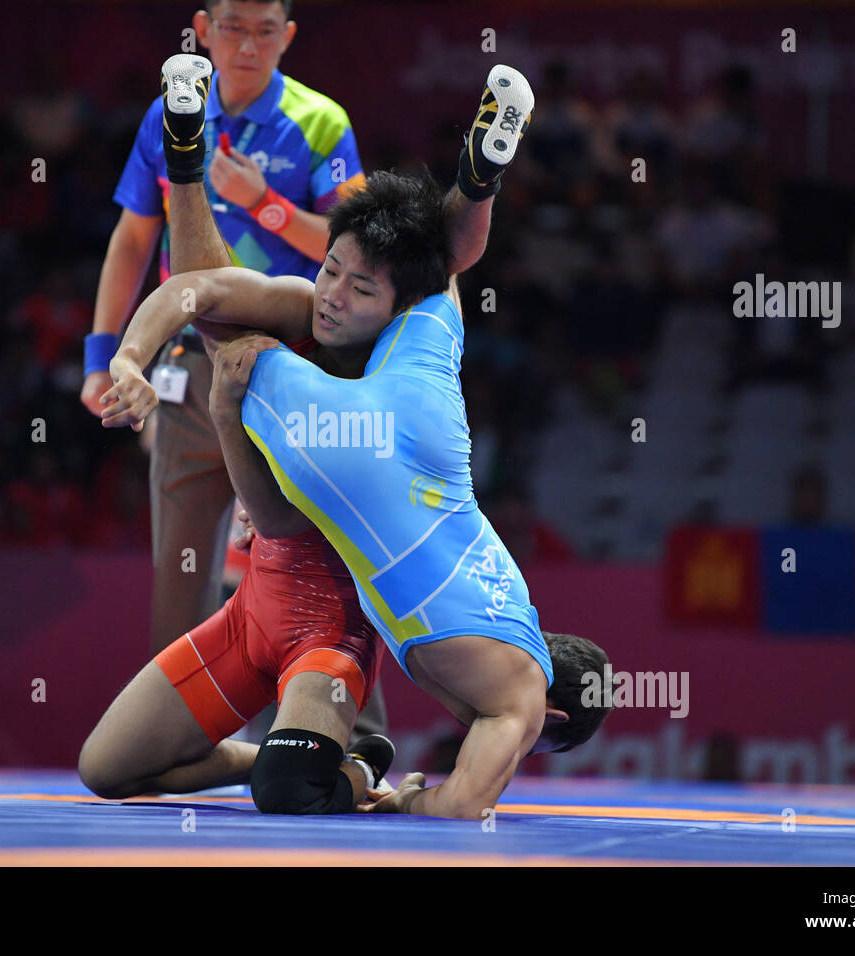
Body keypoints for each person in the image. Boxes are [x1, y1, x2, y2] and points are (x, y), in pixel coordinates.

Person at [102, 60, 612, 819]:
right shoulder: (357, 315)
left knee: (242, 330)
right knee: (281, 319)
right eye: (332, 274)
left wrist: (143, 364)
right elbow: (468, 805)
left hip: (368, 520)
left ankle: (470, 184)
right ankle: (473, 185)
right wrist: (131, 361)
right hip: (350, 476)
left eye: (358, 286)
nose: (335, 297)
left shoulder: (385, 328)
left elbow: (194, 296)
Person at [79, 0, 388, 739]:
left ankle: (358, 742)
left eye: (263, 30)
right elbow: (131, 242)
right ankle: (161, 745)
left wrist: (267, 206)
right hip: (189, 368)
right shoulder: (165, 116)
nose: (247, 45)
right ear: (203, 30)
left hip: (291, 374)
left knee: (321, 565)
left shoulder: (320, 123)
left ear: (287, 36)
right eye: (232, 28)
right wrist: (101, 357)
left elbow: (359, 256)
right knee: (179, 576)